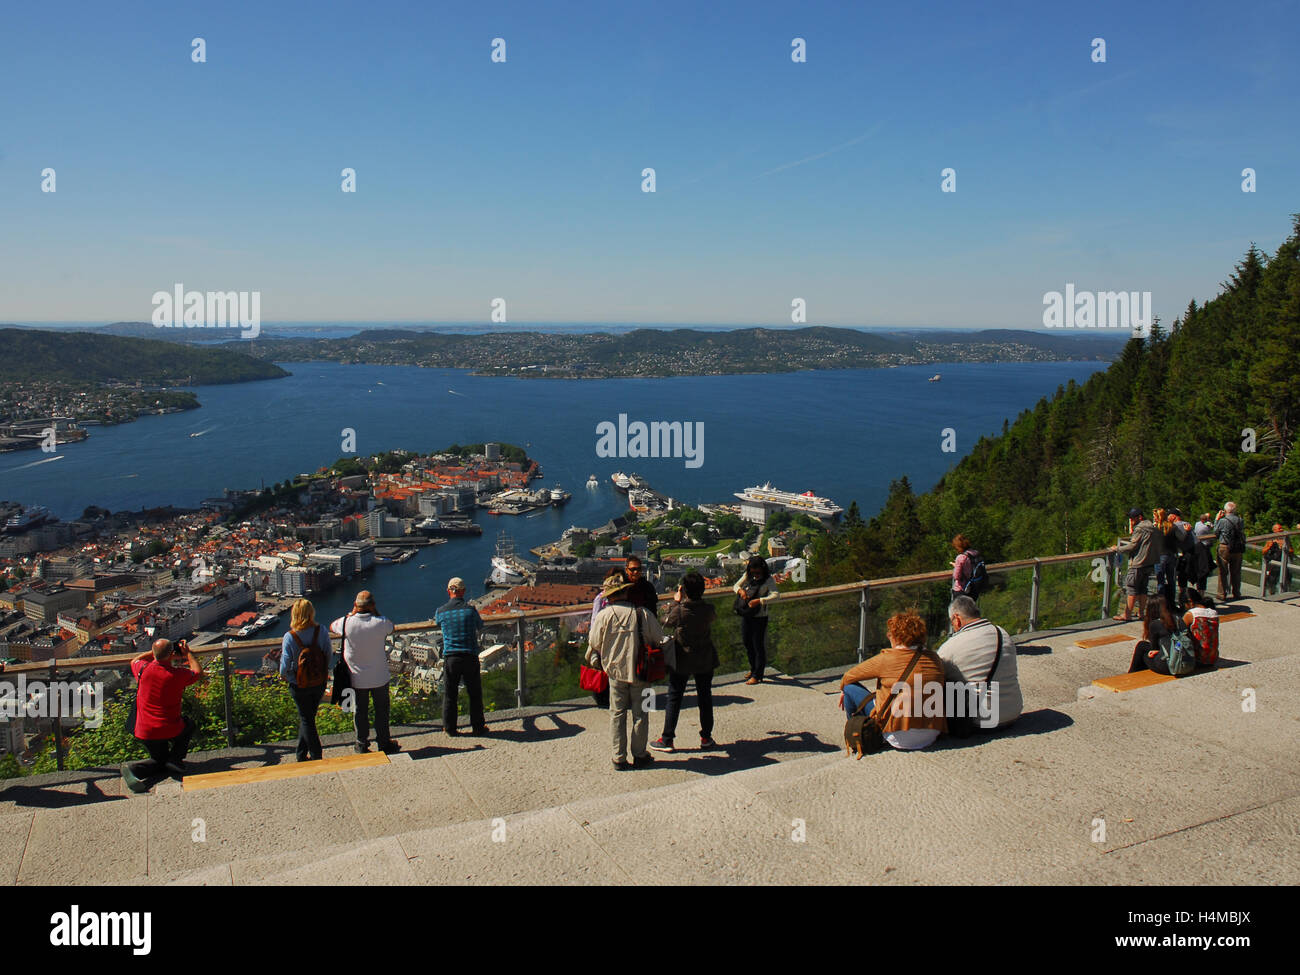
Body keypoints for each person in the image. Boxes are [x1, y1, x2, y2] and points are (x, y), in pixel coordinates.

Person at [587, 574, 666, 770]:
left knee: (617, 714)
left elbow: (594, 643)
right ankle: (640, 754)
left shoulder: (603, 616)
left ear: (609, 596)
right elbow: (658, 638)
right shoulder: (643, 613)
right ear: (626, 591)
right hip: (643, 672)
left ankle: (619, 757)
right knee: (643, 713)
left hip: (615, 673)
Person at [838, 609, 947, 751]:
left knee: (849, 688)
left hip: (896, 735)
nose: (888, 636)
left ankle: (858, 735)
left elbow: (848, 676)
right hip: (931, 732)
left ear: (896, 637)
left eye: (890, 633)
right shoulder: (934, 658)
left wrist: (842, 689)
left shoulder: (887, 659)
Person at [650, 571, 720, 752]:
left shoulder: (680, 611)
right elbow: (712, 618)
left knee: (674, 697)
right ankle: (706, 737)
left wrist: (676, 601)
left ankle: (667, 738)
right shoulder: (709, 609)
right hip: (705, 657)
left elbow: (664, 621)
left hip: (682, 658)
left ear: (685, 590)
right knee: (705, 697)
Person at [936, 595, 1022, 731]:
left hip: (980, 720)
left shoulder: (951, 646)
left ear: (957, 619)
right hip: (1013, 712)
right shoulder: (1002, 633)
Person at [330, 590, 400, 754]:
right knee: (382, 710)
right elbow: (392, 628)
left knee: (360, 711)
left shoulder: (346, 622)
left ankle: (361, 743)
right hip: (379, 677)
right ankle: (384, 742)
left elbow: (332, 626)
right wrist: (376, 612)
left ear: (355, 605)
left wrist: (351, 614)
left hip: (356, 678)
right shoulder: (380, 622)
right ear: (373, 605)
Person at [129, 637, 203, 776]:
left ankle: (134, 770)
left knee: (159, 760)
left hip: (144, 730)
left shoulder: (143, 669)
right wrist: (188, 654)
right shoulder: (176, 675)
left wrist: (154, 652)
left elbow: (134, 660)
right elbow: (197, 672)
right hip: (169, 727)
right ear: (171, 655)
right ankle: (175, 759)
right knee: (189, 725)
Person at [279, 598, 334, 762]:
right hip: (318, 681)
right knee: (308, 717)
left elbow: (285, 663)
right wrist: (322, 672)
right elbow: (328, 654)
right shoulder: (321, 631)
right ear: (311, 613)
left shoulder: (290, 636)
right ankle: (301, 755)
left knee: (306, 718)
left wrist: (287, 676)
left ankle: (317, 755)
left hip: (299, 683)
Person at [435, 577, 488, 736]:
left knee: (450, 694)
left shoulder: (441, 611)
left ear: (448, 591)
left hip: (451, 657)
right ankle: (478, 727)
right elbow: (480, 625)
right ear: (463, 591)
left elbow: (438, 623)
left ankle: (450, 728)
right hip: (470, 655)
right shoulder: (471, 610)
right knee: (474, 693)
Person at [733, 555, 780, 684]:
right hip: (747, 615)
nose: (756, 574)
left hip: (760, 617)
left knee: (758, 645)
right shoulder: (748, 576)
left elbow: (776, 595)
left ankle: (758, 675)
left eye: (758, 571)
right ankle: (753, 669)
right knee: (747, 642)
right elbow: (736, 585)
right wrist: (740, 591)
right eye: (753, 571)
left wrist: (760, 600)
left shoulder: (768, 580)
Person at [585, 567, 626, 709]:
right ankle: (608, 701)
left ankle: (612, 703)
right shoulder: (601, 600)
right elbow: (595, 624)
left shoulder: (606, 604)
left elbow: (595, 624)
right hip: (607, 644)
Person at [1112, 507, 1160, 622]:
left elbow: (1132, 546)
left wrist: (1117, 548)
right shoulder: (1151, 527)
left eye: (1132, 517)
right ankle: (1141, 613)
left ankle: (1127, 615)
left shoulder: (1139, 529)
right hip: (1149, 563)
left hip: (1138, 563)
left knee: (1132, 589)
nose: (1131, 520)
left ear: (1139, 517)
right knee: (1143, 589)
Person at [1127, 598, 1185, 675]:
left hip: (1169, 665)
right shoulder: (1179, 619)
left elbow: (1154, 648)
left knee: (1141, 647)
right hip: (1184, 660)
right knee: (1144, 647)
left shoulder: (1155, 624)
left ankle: (1131, 673)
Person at [1214, 501, 1246, 601]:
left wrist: (1216, 519)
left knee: (1223, 571)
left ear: (1225, 510)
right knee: (1236, 572)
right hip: (1237, 548)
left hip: (1225, 547)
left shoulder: (1223, 521)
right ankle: (1236, 593)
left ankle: (1221, 594)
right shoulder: (1240, 520)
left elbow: (1216, 532)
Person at [1182, 589, 1220, 669]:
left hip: (1197, 660)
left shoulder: (1190, 614)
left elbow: (1178, 633)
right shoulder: (1214, 613)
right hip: (1213, 658)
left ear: (1190, 602)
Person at [1261, 525, 1292, 595]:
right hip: (1274, 564)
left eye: (1281, 529)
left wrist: (1285, 547)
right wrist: (1269, 546)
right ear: (1274, 531)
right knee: (1272, 580)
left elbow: (1291, 551)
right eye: (1279, 529)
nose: (1281, 530)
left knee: (1287, 579)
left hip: (1284, 563)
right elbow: (1263, 551)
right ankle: (1271, 593)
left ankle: (1285, 593)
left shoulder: (1286, 539)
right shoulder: (1271, 539)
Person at [1192, 513, 1216, 593]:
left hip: (1197, 545)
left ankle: (1198, 588)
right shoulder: (1207, 525)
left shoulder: (1197, 524)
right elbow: (1214, 529)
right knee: (1205, 567)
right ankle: (1202, 590)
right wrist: (1210, 521)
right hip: (1205, 547)